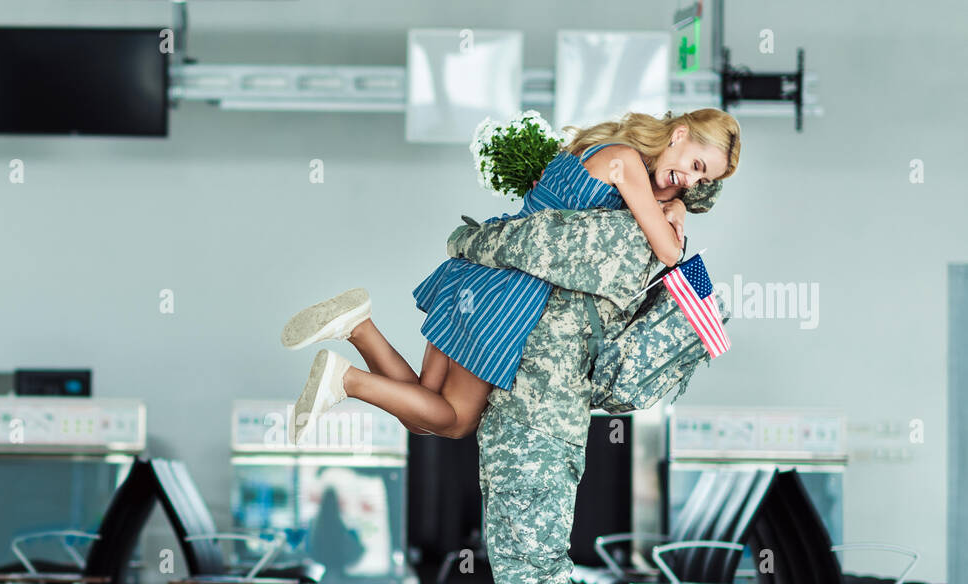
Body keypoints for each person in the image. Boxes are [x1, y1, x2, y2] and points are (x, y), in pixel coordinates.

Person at [444, 159, 737, 584]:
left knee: (533, 577)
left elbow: (529, 242)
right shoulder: (632, 229)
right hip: (533, 422)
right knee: (534, 570)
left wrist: (464, 241)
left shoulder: (616, 233)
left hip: (536, 429)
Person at [282, 109, 741, 443]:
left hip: (476, 276)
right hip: (511, 295)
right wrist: (676, 215)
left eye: (701, 182)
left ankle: (358, 327)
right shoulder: (625, 164)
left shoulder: (599, 148)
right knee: (457, 419)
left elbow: (660, 201)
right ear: (679, 134)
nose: (690, 181)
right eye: (696, 167)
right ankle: (346, 381)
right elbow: (666, 249)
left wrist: (678, 201)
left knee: (421, 405)